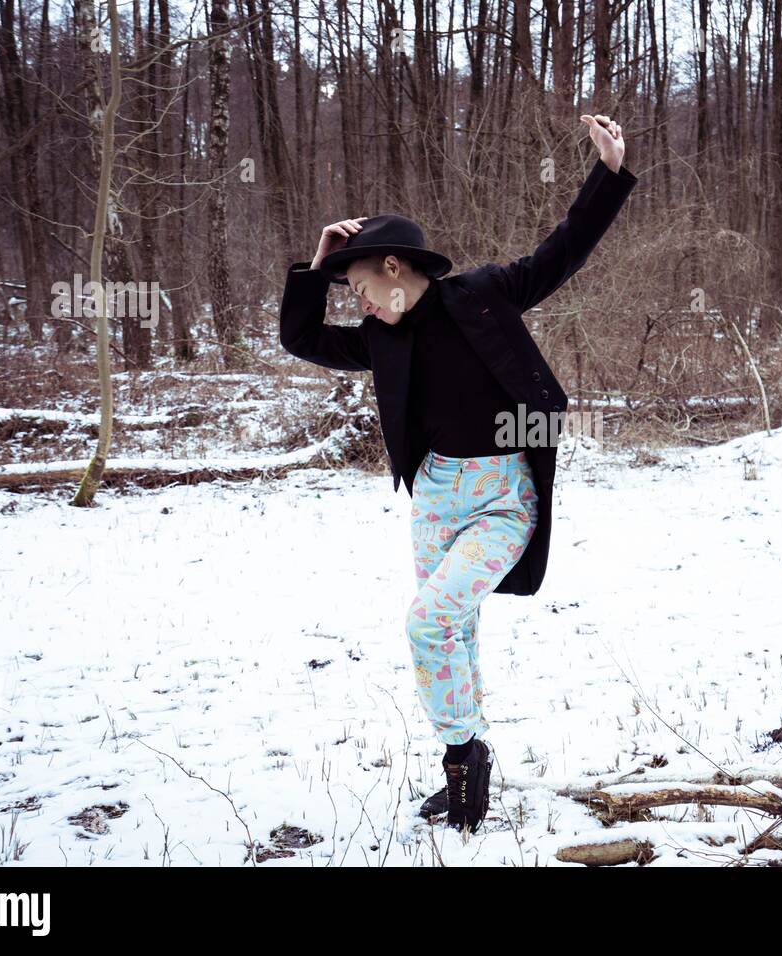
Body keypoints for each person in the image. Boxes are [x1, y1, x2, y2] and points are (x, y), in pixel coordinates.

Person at [279, 114, 638, 834]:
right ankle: (461, 762)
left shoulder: (481, 296)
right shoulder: (381, 341)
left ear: (391, 268)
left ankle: (467, 756)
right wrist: (316, 269)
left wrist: (607, 172)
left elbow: (561, 252)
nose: (360, 304)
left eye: (357, 286)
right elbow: (302, 338)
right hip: (438, 498)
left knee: (428, 622)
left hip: (504, 501)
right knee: (455, 631)